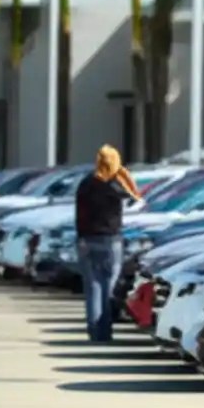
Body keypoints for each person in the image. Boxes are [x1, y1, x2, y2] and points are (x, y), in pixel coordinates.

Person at [74, 145, 141, 342]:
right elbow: (135, 197)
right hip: (110, 240)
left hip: (86, 239)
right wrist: (122, 172)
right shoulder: (116, 183)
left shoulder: (86, 183)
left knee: (93, 287)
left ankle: (95, 331)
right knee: (108, 287)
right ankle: (105, 330)